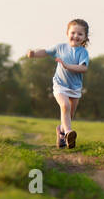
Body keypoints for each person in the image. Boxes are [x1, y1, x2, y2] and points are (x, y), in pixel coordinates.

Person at [26, 19, 90, 148]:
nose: (76, 36)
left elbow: (83, 68)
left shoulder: (83, 52)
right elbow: (45, 52)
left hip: (75, 88)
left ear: (85, 38)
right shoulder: (60, 47)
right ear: (67, 33)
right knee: (65, 106)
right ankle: (68, 133)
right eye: (73, 32)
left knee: (69, 115)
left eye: (80, 34)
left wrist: (67, 66)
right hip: (60, 85)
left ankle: (61, 131)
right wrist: (33, 54)